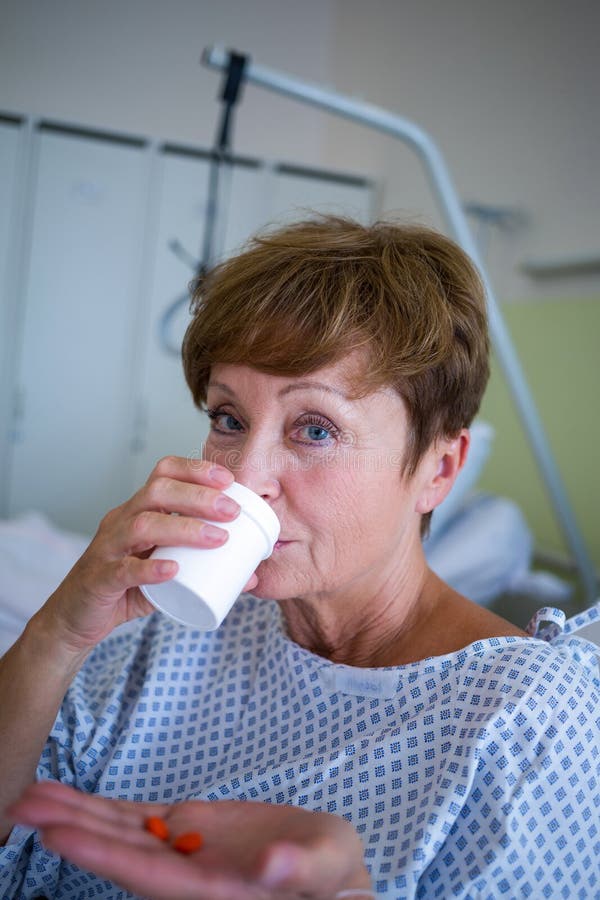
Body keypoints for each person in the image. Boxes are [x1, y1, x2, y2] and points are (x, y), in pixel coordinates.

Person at [1, 216, 599, 899]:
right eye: (228, 419)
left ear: (439, 469)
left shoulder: (527, 720)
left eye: (315, 429)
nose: (244, 474)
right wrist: (56, 634)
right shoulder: (167, 635)